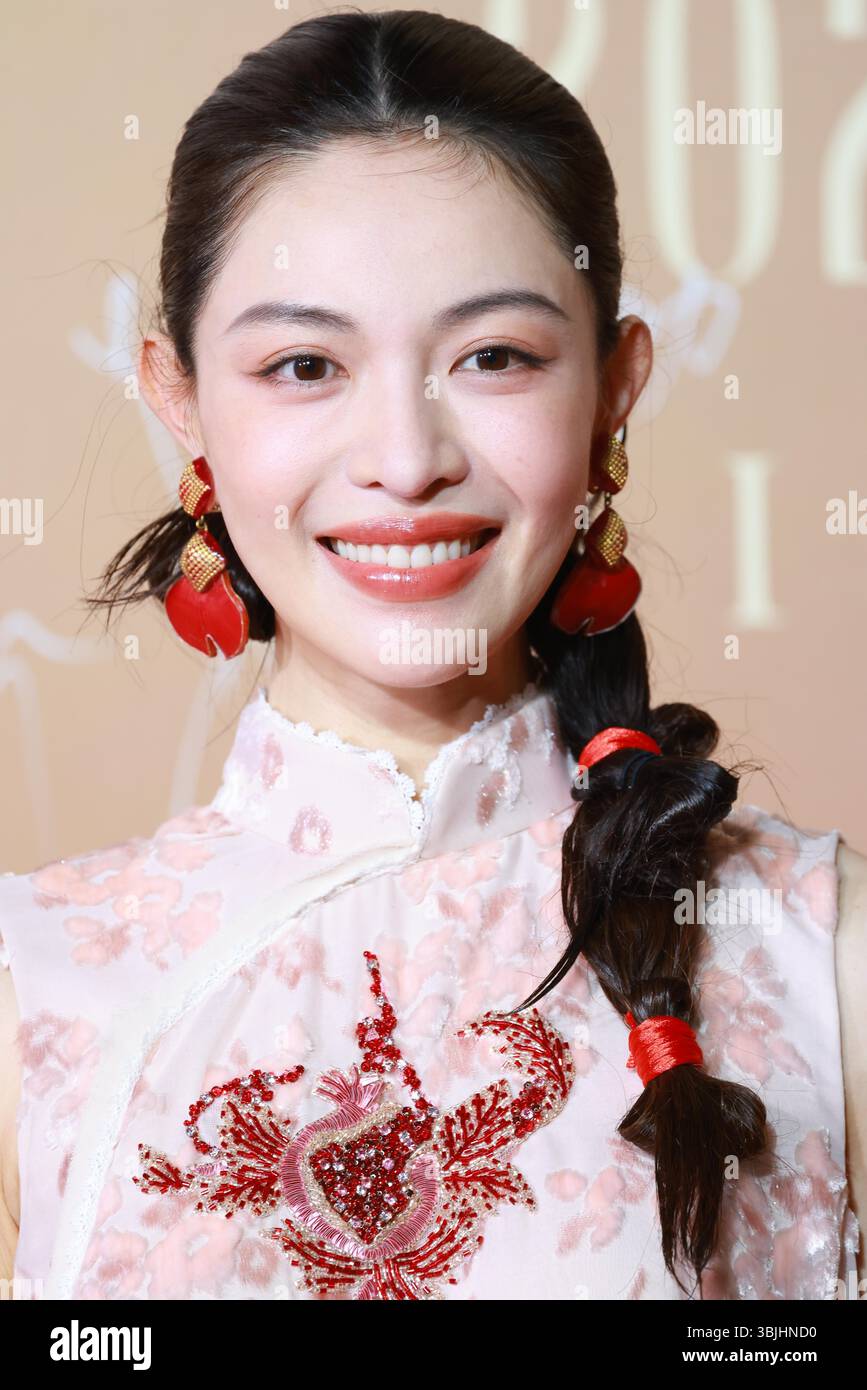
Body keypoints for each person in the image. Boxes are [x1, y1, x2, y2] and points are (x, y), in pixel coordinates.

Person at [1, 9, 864, 1302]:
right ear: (177, 397)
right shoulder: (38, 984)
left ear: (617, 387)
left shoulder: (818, 952)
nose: (406, 458)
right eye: (305, 363)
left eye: (494, 356)